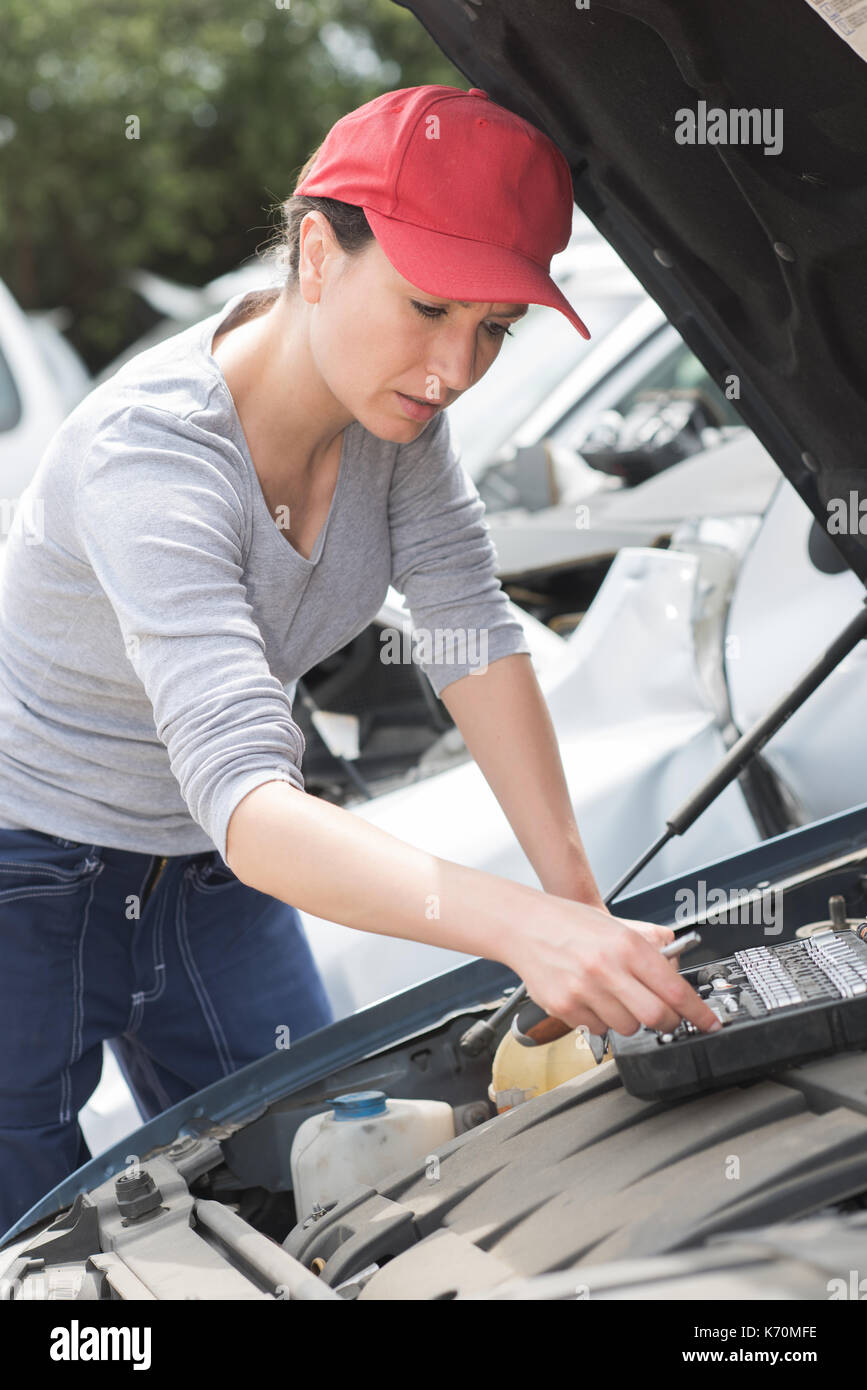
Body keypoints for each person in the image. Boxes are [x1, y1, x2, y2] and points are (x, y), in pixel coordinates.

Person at [0, 84, 719, 1239]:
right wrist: (519, 928)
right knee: (38, 1234)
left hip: (211, 875)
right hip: (27, 858)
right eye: (429, 305)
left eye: (493, 328)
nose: (453, 369)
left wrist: (576, 904)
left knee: (306, 1189)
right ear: (318, 252)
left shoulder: (398, 428)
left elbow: (469, 631)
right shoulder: (154, 455)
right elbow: (245, 792)